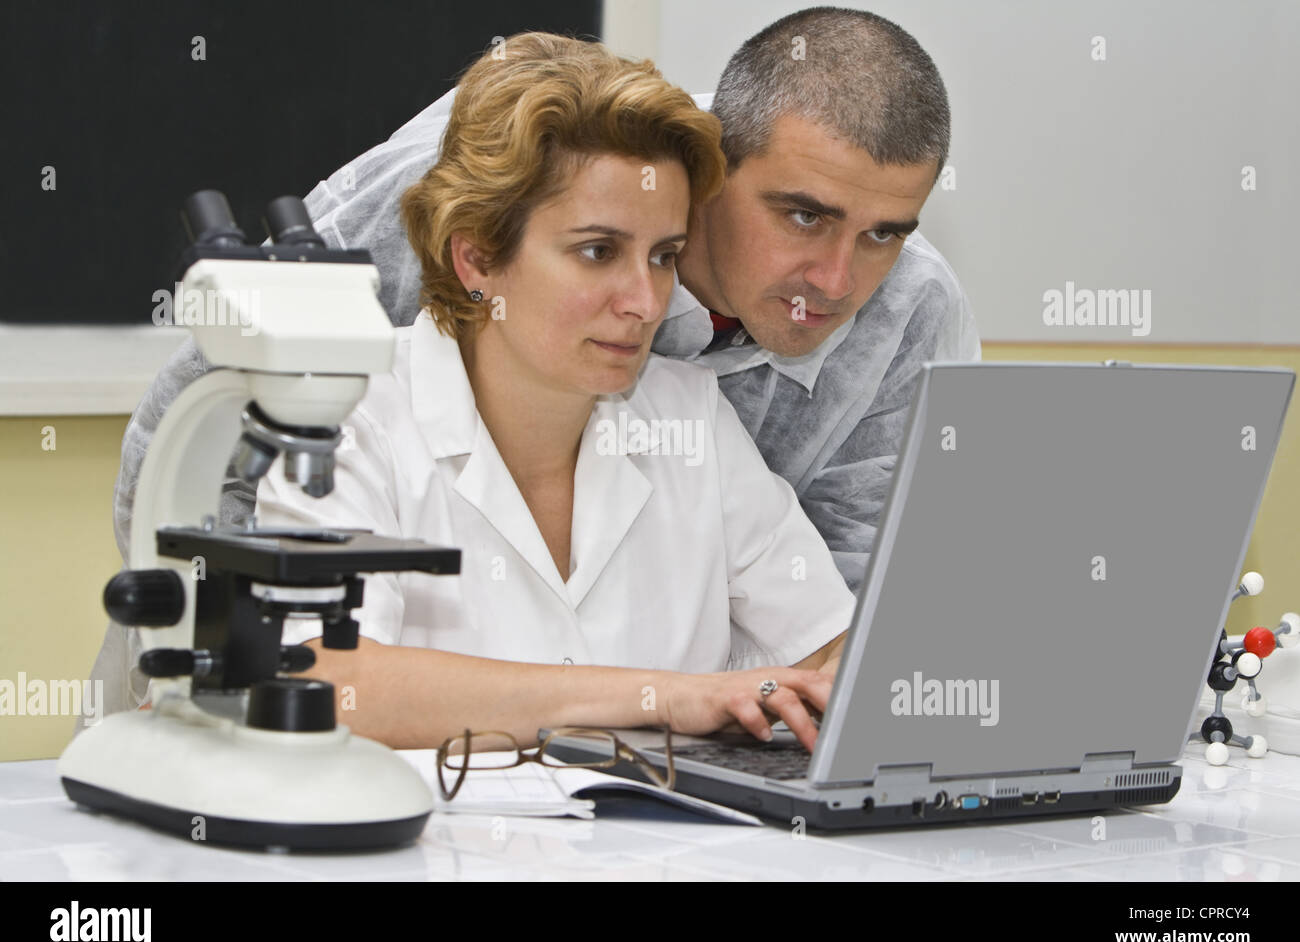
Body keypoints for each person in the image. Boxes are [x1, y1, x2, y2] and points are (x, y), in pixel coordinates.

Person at [92, 6, 979, 718]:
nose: (643, 300)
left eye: (662, 257)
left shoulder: (694, 413)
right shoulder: (352, 391)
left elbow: (838, 633)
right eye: (597, 252)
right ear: (474, 258)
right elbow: (310, 670)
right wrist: (195, 655)